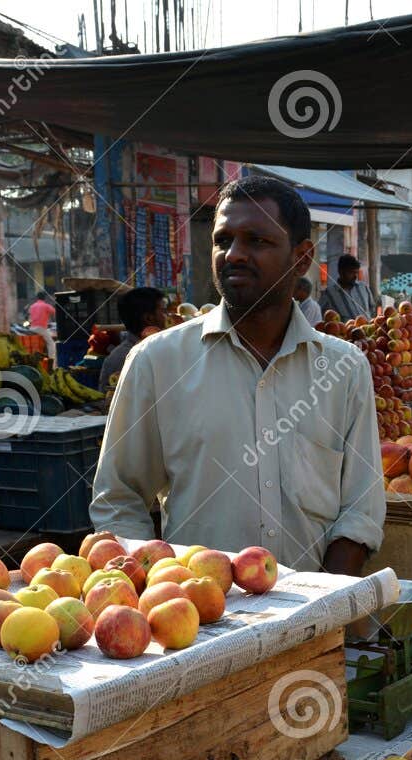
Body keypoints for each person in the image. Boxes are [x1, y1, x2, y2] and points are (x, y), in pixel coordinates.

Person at [90, 174, 384, 575]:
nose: (234, 255)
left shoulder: (344, 368)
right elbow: (118, 499)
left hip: (316, 622)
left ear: (301, 257)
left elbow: (361, 509)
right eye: (223, 240)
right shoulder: (156, 363)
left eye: (257, 241)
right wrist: (157, 583)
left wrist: (321, 601)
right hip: (198, 626)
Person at [100, 286, 168, 390]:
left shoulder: (161, 349)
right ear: (149, 318)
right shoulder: (121, 359)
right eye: (164, 312)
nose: (168, 317)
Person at [317, 254, 375, 321]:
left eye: (356, 273)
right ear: (341, 272)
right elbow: (319, 315)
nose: (355, 276)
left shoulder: (364, 288)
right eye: (351, 272)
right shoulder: (329, 294)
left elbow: (372, 309)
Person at [26, 291, 57, 362]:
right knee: (51, 343)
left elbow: (29, 315)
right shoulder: (46, 306)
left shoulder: (32, 306)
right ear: (45, 298)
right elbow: (54, 311)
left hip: (31, 328)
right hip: (40, 328)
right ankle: (52, 359)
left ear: (37, 298)